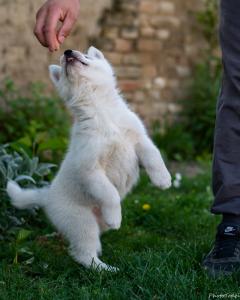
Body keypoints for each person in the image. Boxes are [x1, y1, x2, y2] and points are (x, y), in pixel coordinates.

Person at [34, 0, 240, 277]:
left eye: (88, 58)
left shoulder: (120, 115)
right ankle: (234, 223)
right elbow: (89, 169)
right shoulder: (88, 127)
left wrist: (156, 168)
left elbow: (142, 144)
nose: (76, 58)